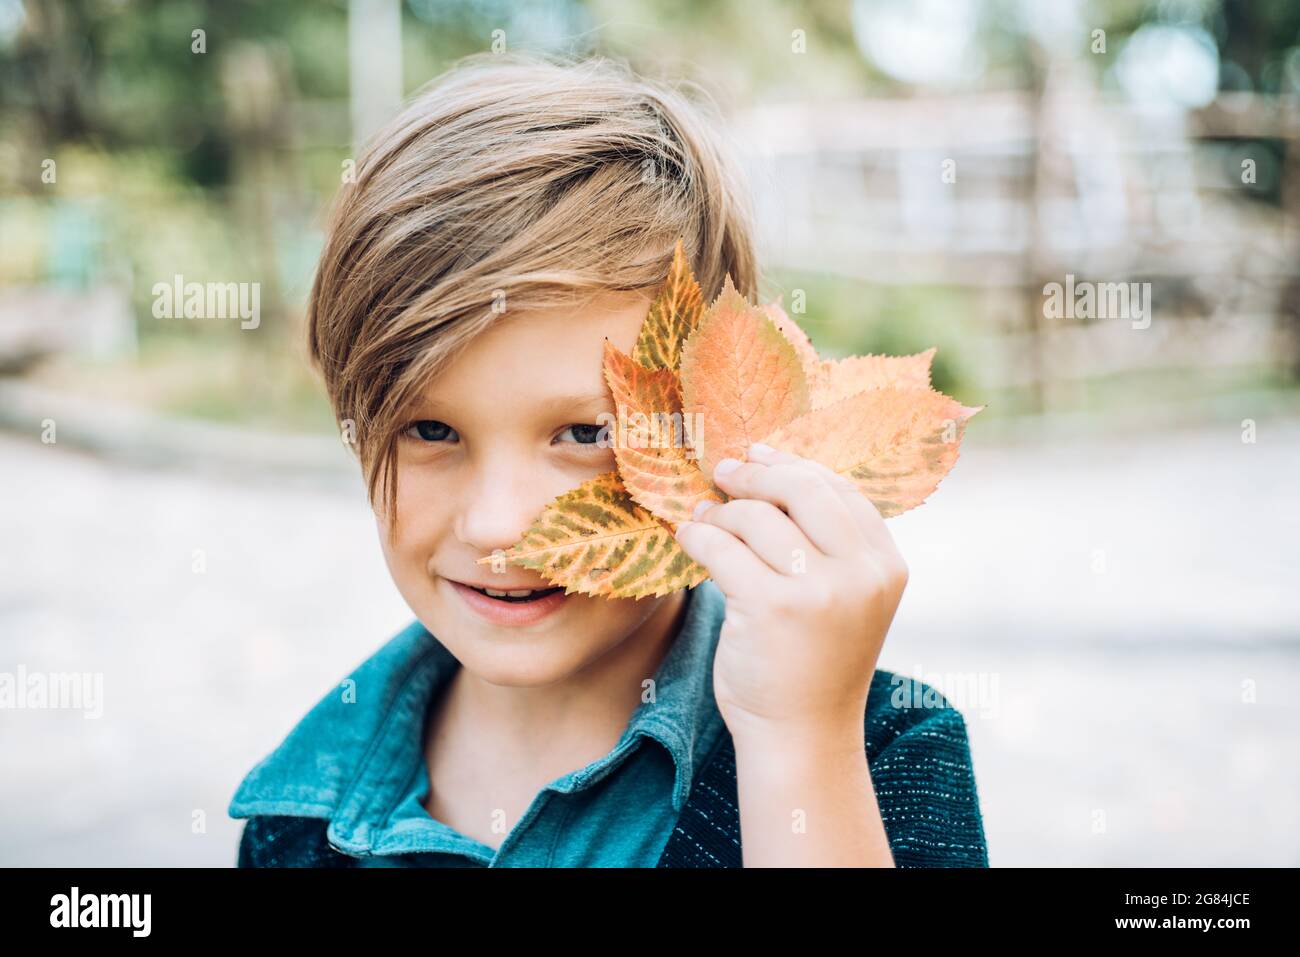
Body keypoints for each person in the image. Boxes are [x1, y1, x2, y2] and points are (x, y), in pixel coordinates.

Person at [228, 51, 989, 868]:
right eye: (430, 431)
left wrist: (798, 743)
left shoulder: (878, 752)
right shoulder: (295, 828)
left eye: (585, 434)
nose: (499, 521)